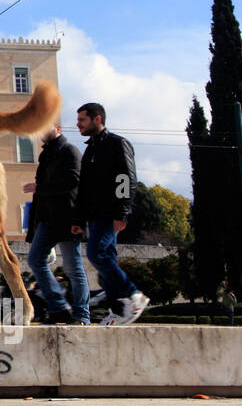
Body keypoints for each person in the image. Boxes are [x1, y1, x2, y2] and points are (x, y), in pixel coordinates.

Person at [70, 102, 148, 325]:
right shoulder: (90, 150)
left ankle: (134, 296)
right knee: (106, 260)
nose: (77, 124)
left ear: (97, 119)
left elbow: (125, 179)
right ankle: (118, 309)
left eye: (82, 120)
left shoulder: (117, 144)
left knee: (97, 254)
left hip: (110, 212)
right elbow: (84, 189)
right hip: (94, 215)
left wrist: (121, 212)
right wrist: (78, 220)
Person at [22, 123, 88, 324]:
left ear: (57, 128)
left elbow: (74, 181)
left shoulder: (70, 151)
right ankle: (59, 307)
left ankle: (81, 315)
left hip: (67, 218)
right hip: (47, 218)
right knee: (35, 259)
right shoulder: (46, 154)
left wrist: (39, 187)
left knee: (73, 268)